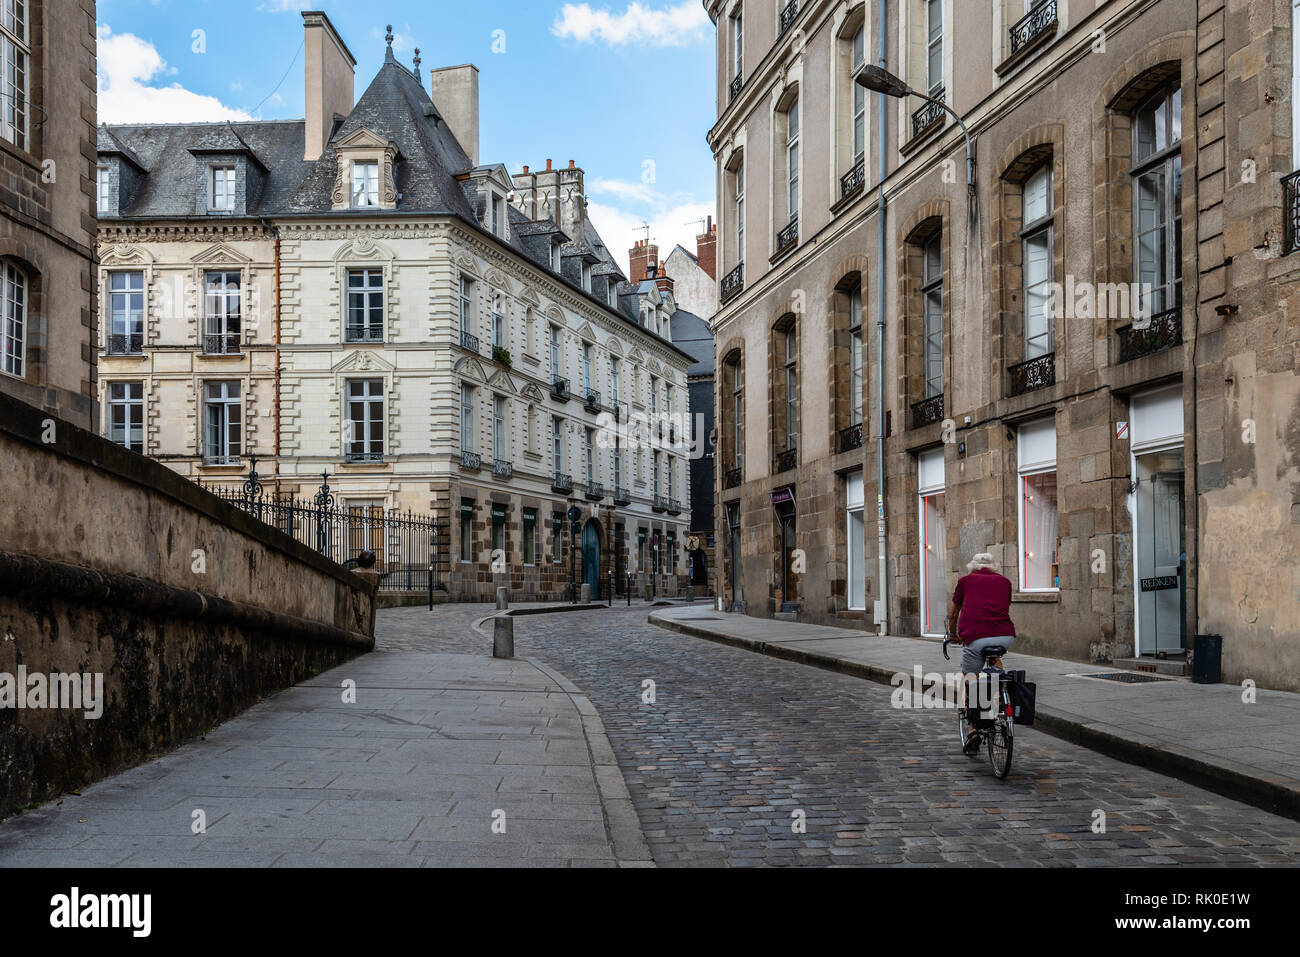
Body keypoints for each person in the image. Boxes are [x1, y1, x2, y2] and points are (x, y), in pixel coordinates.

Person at [947, 552, 1016, 751]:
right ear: (994, 566)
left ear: (973, 566)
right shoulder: (1005, 582)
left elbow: (953, 613)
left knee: (970, 675)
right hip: (1005, 636)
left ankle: (972, 730)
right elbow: (1002, 608)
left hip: (976, 636)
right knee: (996, 664)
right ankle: (1000, 697)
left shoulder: (965, 581)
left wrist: (953, 634)